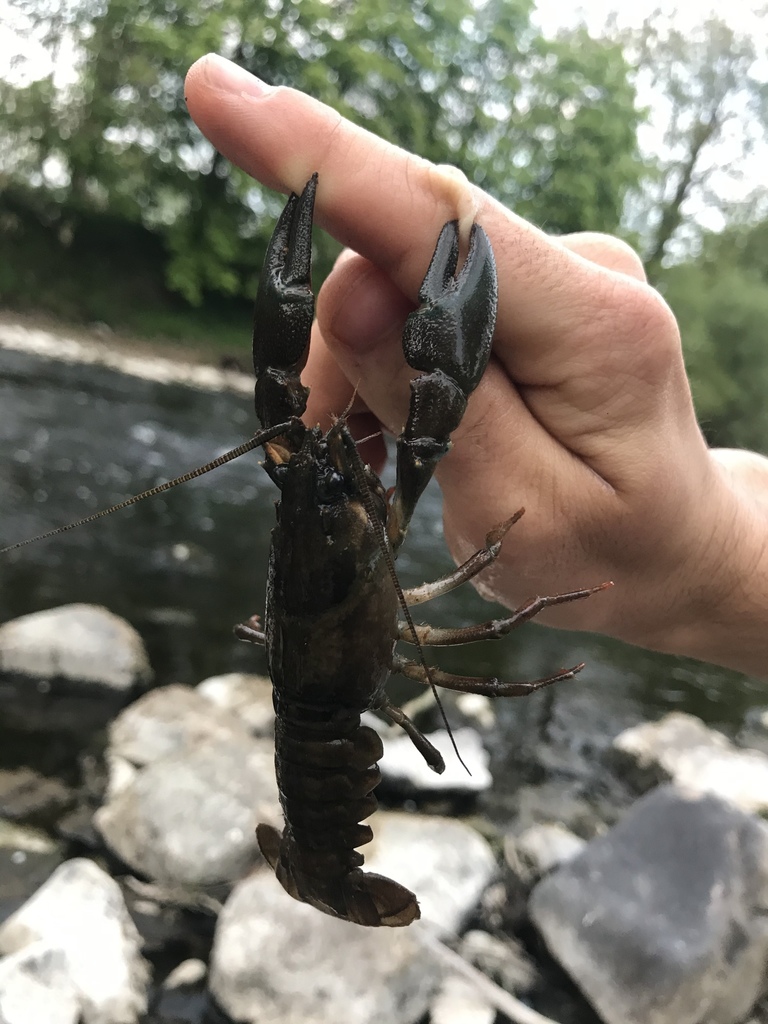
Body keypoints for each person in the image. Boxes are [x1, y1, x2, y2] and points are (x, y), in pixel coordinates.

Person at [184, 53, 768, 679]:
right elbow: (493, 617)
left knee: (322, 415)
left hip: (313, 700)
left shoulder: (309, 529)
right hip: (328, 742)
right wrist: (716, 558)